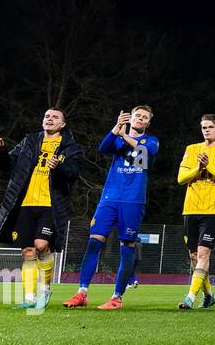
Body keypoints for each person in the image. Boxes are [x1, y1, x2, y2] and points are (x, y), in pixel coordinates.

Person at [0, 108, 85, 311]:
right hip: (25, 204)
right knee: (28, 251)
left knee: (41, 246)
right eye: (47, 116)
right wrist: (0, 150)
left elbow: (73, 174)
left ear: (63, 124)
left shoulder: (71, 148)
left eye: (55, 117)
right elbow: (8, 167)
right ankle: (30, 298)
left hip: (50, 205)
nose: (49, 119)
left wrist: (59, 166)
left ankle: (45, 289)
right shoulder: (29, 142)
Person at [64, 106, 160, 310]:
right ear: (131, 118)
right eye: (138, 116)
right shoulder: (118, 137)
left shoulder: (151, 141)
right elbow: (103, 148)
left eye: (145, 117)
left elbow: (146, 152)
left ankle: (117, 297)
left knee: (127, 249)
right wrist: (116, 128)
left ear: (148, 123)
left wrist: (125, 135)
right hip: (109, 199)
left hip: (133, 200)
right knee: (93, 243)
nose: (141, 119)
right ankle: (82, 293)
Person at [174, 114, 215, 310]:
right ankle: (209, 295)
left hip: (213, 210)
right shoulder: (192, 149)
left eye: (210, 127)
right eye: (203, 127)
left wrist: (208, 166)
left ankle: (190, 297)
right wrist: (198, 168)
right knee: (194, 256)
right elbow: (181, 178)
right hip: (191, 208)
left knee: (203, 253)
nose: (206, 130)